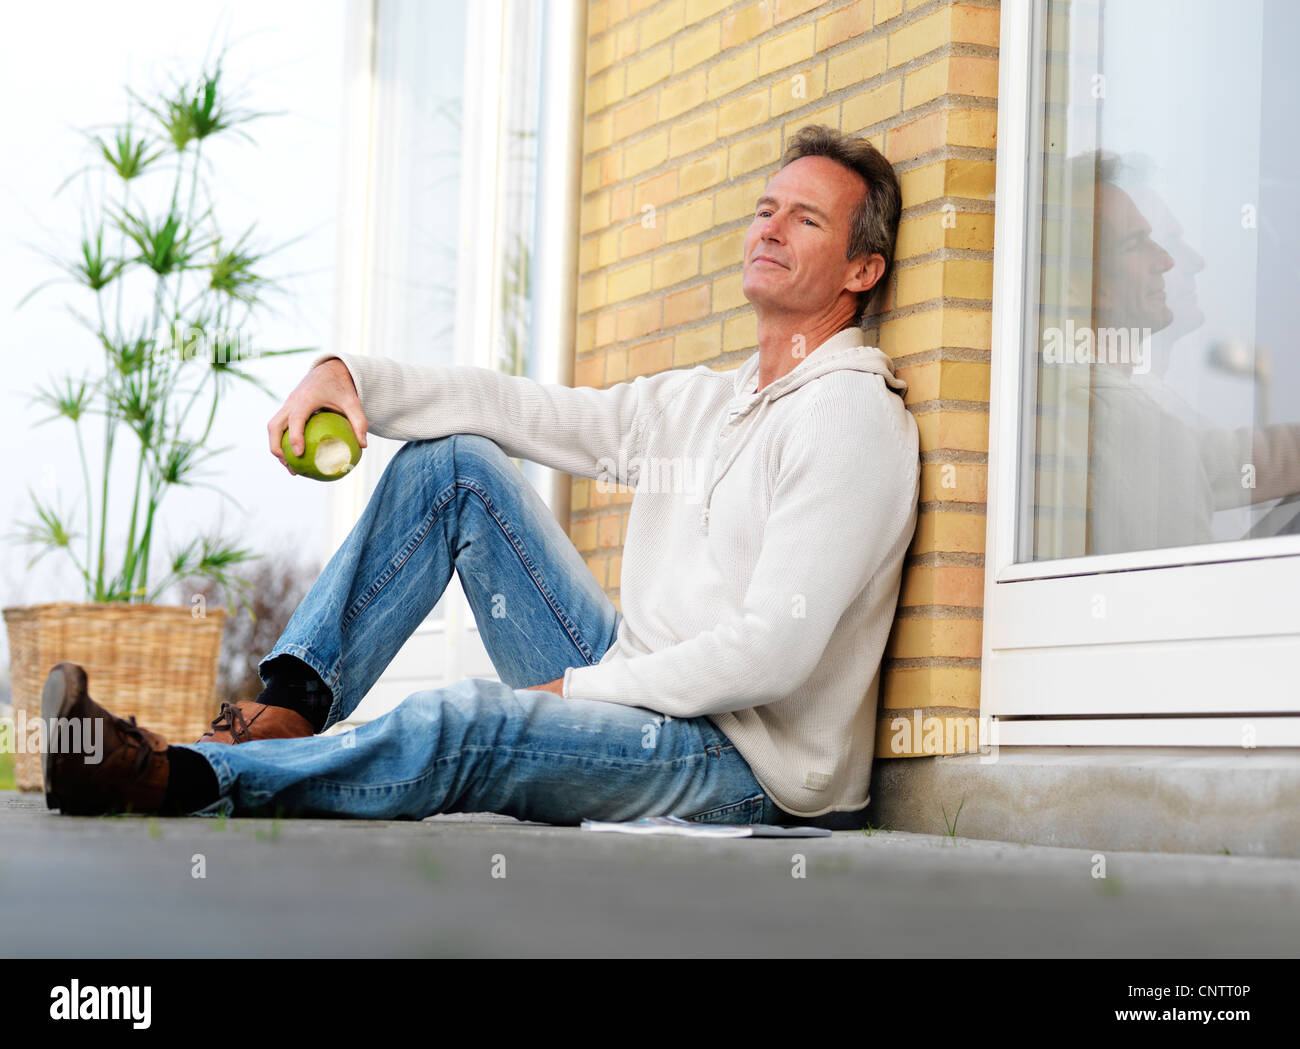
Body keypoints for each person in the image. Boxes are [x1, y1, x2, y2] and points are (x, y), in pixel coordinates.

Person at [42, 124, 920, 827]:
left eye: (805, 218)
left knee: (467, 720)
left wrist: (576, 690)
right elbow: (519, 408)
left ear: (862, 268)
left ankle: (176, 776)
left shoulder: (850, 417)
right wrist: (352, 377)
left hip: (741, 767)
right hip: (633, 689)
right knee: (454, 463)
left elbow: (772, 651)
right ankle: (286, 706)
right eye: (766, 208)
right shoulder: (701, 402)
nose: (769, 226)